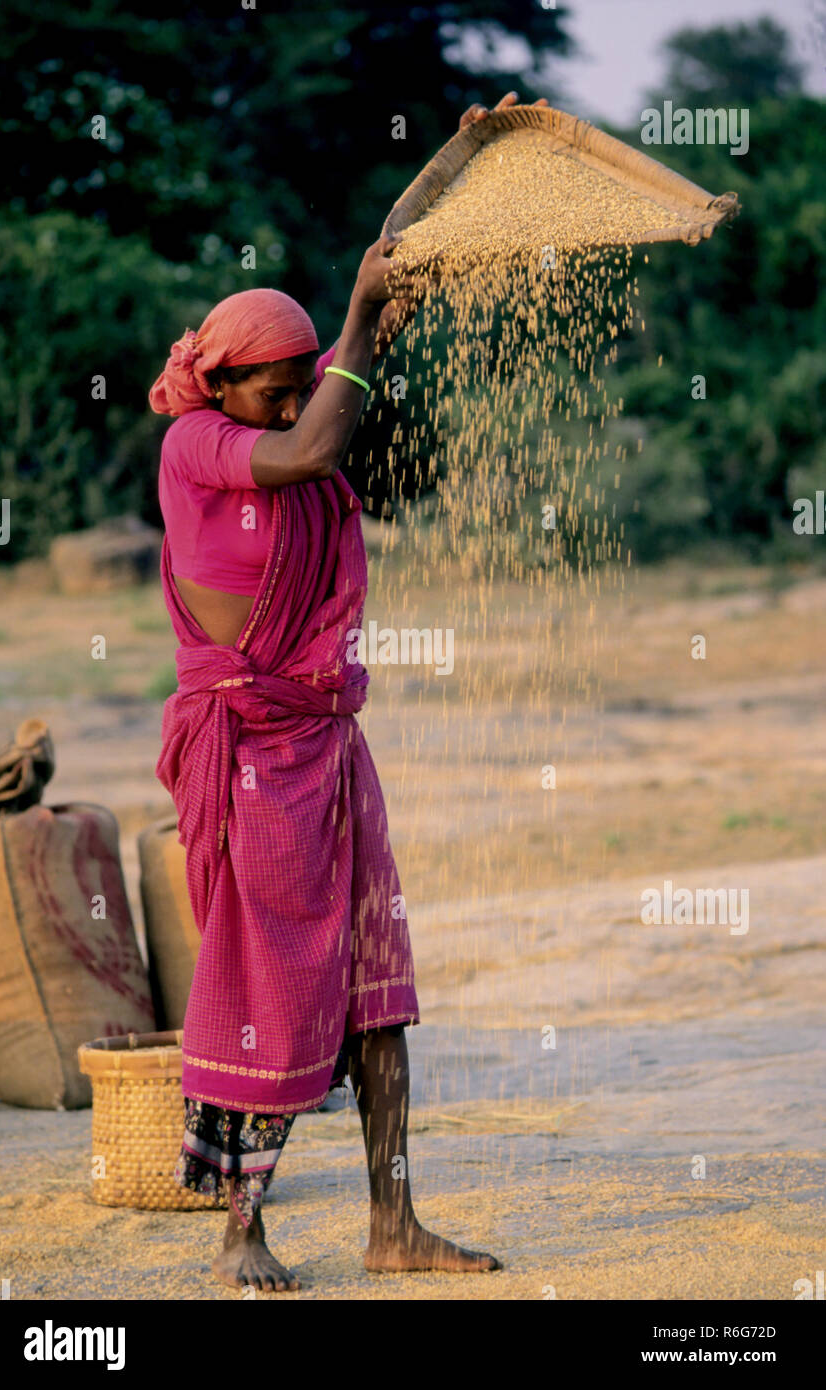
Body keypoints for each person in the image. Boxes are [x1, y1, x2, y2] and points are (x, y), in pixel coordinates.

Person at [150, 92, 543, 1292]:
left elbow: (327, 420)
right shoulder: (200, 447)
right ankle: (241, 1231)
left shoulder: (299, 426)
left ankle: (394, 1222)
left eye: (299, 379)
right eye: (272, 384)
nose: (291, 395)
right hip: (251, 750)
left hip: (327, 747)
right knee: (266, 981)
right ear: (225, 386)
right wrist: (363, 319)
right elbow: (312, 443)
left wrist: (441, 207)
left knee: (378, 982)